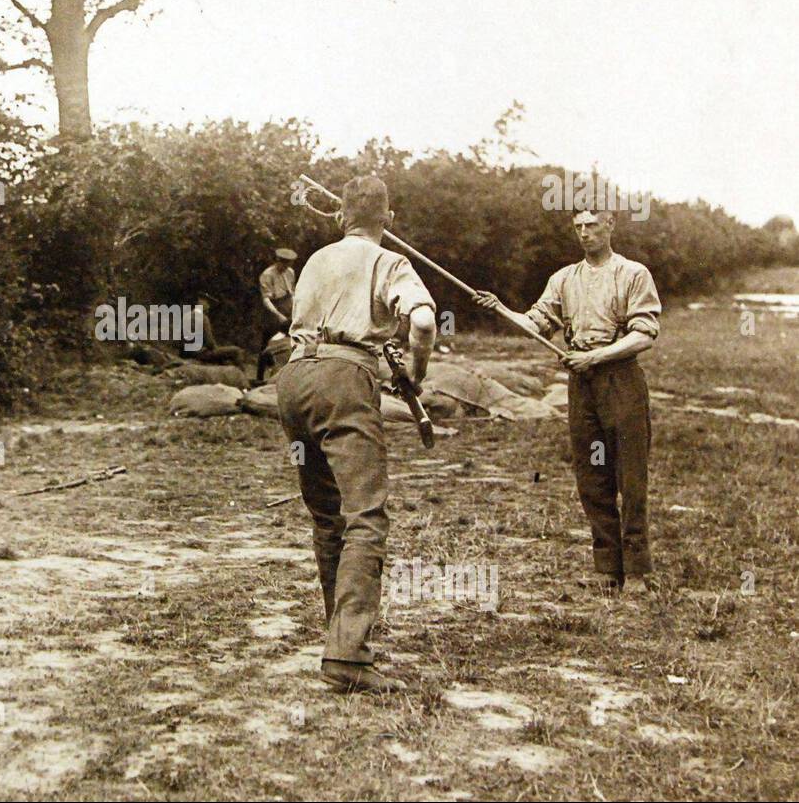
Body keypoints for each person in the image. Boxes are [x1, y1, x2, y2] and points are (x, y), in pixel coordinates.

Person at [277, 176, 436, 694]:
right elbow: (425, 322)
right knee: (365, 515)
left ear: (341, 216)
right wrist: (418, 371)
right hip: (344, 382)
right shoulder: (390, 262)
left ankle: (339, 639)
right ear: (386, 219)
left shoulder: (316, 261)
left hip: (294, 379)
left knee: (328, 516)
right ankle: (346, 655)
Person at [474, 207, 661, 595]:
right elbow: (535, 322)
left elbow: (645, 333)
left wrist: (597, 356)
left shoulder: (632, 274)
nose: (585, 233)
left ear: (610, 225)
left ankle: (639, 572)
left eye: (592, 225)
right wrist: (502, 310)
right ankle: (607, 569)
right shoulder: (563, 279)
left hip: (620, 380)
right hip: (582, 385)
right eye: (578, 227)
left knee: (630, 475)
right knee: (593, 475)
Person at [257, 247, 297, 382]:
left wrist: (294, 309)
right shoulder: (267, 275)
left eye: (288, 263)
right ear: (278, 260)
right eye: (284, 263)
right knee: (266, 343)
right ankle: (260, 377)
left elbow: (291, 293)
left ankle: (282, 375)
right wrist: (278, 315)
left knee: (287, 342)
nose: (286, 266)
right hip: (272, 310)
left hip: (286, 307)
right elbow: (266, 299)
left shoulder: (290, 272)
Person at [183, 297, 247, 370]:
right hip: (199, 354)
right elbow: (210, 343)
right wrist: (216, 348)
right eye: (208, 304)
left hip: (186, 353)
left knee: (223, 357)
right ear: (202, 304)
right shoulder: (204, 318)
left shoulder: (186, 316)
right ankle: (242, 377)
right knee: (236, 351)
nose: (209, 307)